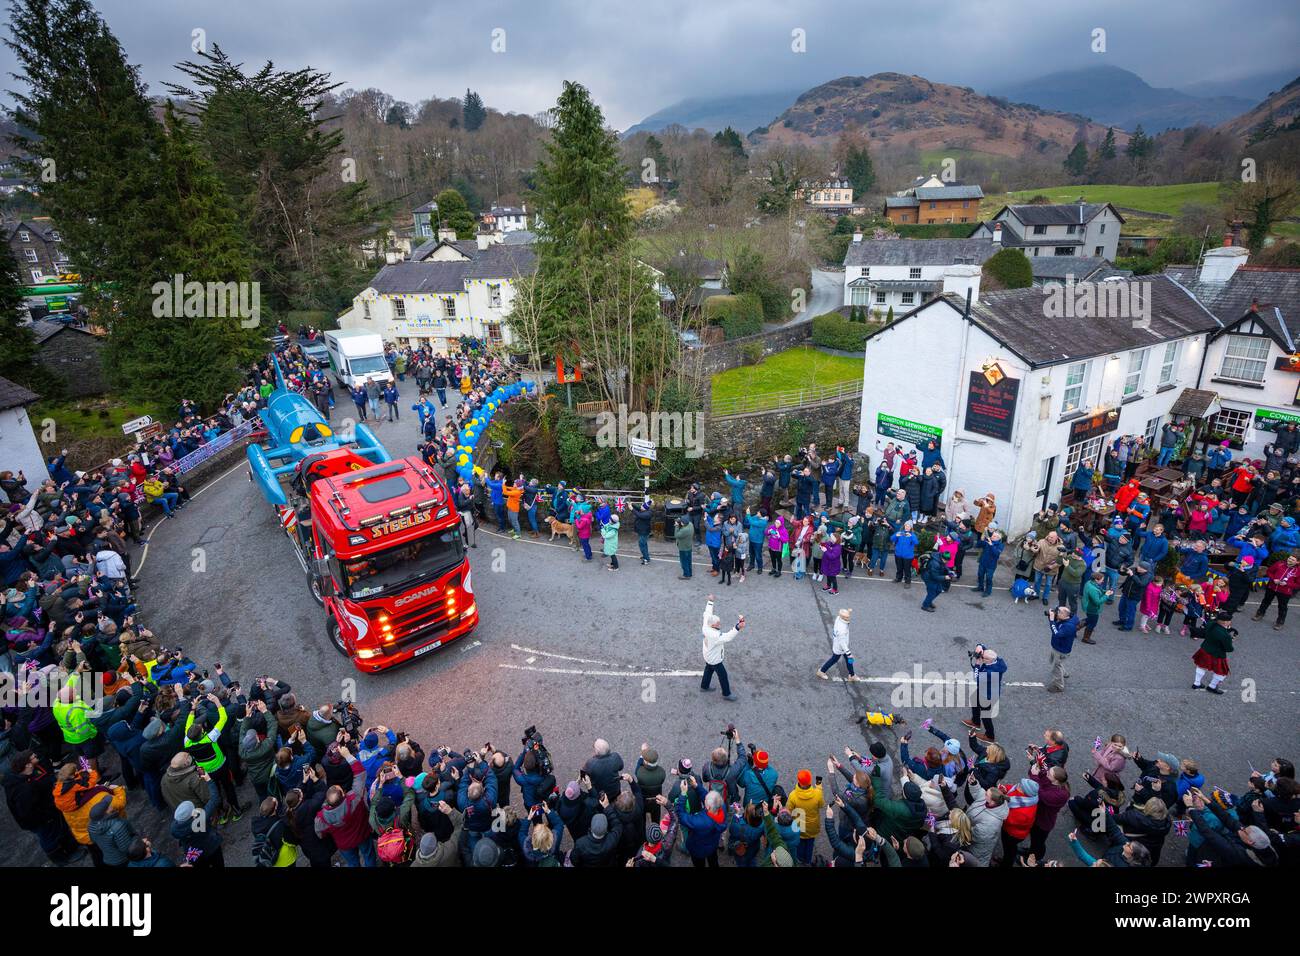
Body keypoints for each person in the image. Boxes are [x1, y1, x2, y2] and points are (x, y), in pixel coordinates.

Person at [700, 595, 743, 702]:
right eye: (718, 624)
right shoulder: (715, 636)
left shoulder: (706, 625)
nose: (720, 624)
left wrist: (710, 601)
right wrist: (737, 627)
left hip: (708, 656)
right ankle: (726, 694)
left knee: (708, 669)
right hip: (715, 660)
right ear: (713, 625)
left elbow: (707, 614)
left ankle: (704, 686)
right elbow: (728, 637)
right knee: (723, 676)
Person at [965, 646, 1006, 741]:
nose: (980, 657)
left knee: (985, 715)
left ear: (988, 661)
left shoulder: (990, 672)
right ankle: (975, 721)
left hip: (988, 695)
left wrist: (978, 665)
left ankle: (990, 736)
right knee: (974, 698)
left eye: (982, 657)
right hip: (987, 690)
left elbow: (977, 678)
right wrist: (980, 647)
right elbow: (982, 647)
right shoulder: (997, 660)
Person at [1192, 611, 1236, 695]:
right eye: (1229, 621)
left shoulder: (1210, 624)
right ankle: (1212, 687)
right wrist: (1231, 640)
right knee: (1222, 672)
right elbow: (1229, 649)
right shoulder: (1225, 635)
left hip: (1205, 649)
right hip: (1217, 655)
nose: (1230, 622)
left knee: (1201, 666)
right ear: (1225, 622)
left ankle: (1196, 683)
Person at [1254, 553, 1300, 629]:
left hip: (1285, 591)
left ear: (1297, 562)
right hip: (1272, 587)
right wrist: (1273, 579)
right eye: (1289, 558)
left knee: (1282, 606)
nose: (1289, 560)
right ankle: (1260, 613)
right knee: (1266, 601)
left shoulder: (1298, 571)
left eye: (1292, 559)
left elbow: (1298, 584)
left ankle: (1280, 622)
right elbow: (1269, 571)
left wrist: (1287, 583)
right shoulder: (1279, 564)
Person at [817, 608, 858, 681]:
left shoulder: (839, 618)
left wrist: (848, 612)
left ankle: (852, 675)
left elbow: (843, 617)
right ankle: (821, 671)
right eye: (847, 617)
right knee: (836, 659)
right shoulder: (842, 630)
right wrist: (848, 653)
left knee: (848, 660)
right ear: (843, 617)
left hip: (838, 645)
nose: (848, 618)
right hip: (841, 648)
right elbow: (842, 643)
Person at [1047, 605, 1078, 693]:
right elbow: (1057, 625)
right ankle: (1064, 673)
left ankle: (1058, 686)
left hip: (1060, 650)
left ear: (1065, 615)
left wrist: (1052, 621)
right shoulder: (1068, 618)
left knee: (1056, 666)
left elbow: (1056, 634)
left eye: (1058, 612)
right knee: (1058, 663)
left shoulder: (1068, 626)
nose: (1056, 613)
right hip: (1059, 647)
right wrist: (1051, 619)